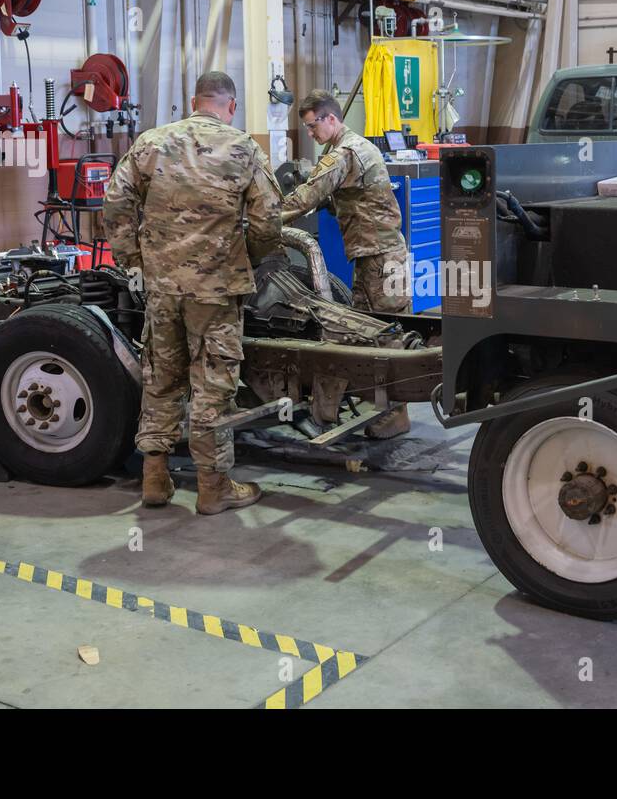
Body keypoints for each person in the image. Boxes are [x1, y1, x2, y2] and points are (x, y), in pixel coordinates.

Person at [104, 71, 282, 513]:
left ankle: (155, 479)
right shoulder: (244, 148)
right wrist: (251, 257)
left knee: (161, 379)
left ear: (193, 101)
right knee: (212, 386)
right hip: (217, 292)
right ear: (231, 106)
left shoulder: (151, 142)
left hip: (162, 288)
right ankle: (213, 487)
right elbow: (269, 219)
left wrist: (135, 260)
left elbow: (114, 200)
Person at [280, 89, 411, 438]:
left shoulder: (344, 153)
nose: (310, 134)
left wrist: (267, 217)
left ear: (331, 118)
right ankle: (375, 405)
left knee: (388, 337)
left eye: (312, 127)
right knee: (362, 334)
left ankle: (397, 414)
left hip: (381, 258)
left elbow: (309, 193)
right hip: (375, 256)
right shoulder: (354, 146)